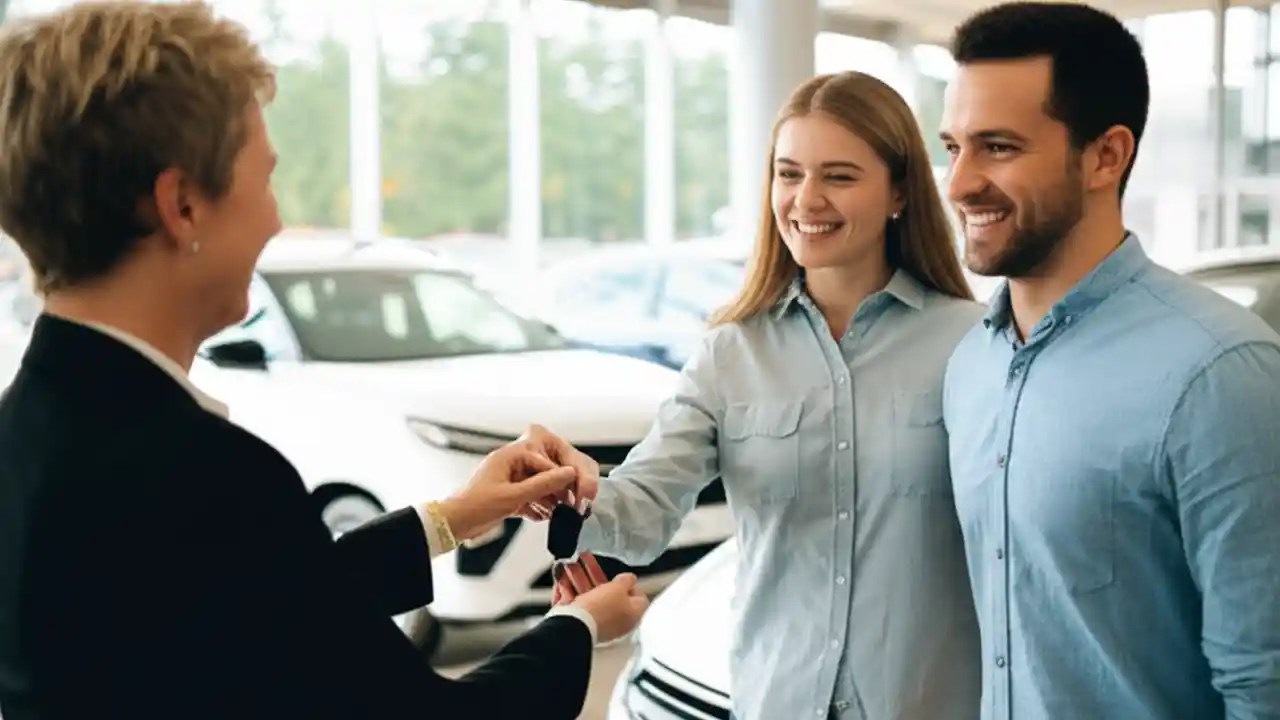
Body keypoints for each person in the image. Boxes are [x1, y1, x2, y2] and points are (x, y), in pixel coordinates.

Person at [0, 3, 647, 718]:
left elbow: (265, 597)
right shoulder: (211, 476)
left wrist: (456, 516)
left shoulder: (28, 437)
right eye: (265, 178)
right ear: (182, 205)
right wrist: (580, 627)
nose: (277, 217)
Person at [548, 71, 984, 720]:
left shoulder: (972, 343)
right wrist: (568, 492)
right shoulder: (730, 352)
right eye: (789, 173)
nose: (806, 199)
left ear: (898, 192)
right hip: (775, 701)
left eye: (839, 175)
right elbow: (644, 510)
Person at [939, 3, 1280, 719]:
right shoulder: (970, 365)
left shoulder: (1220, 371)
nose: (960, 183)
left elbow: (1264, 683)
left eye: (998, 147)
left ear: (1106, 156)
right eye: (954, 147)